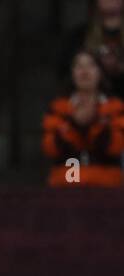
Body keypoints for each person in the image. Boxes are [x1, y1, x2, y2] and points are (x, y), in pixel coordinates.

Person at [42, 50, 124, 187]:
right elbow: (51, 149)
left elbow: (116, 148)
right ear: (72, 72)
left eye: (91, 65)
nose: (84, 71)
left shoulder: (115, 107)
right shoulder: (59, 107)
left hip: (107, 187)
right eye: (79, 66)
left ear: (100, 72)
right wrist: (73, 124)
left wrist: (96, 123)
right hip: (67, 185)